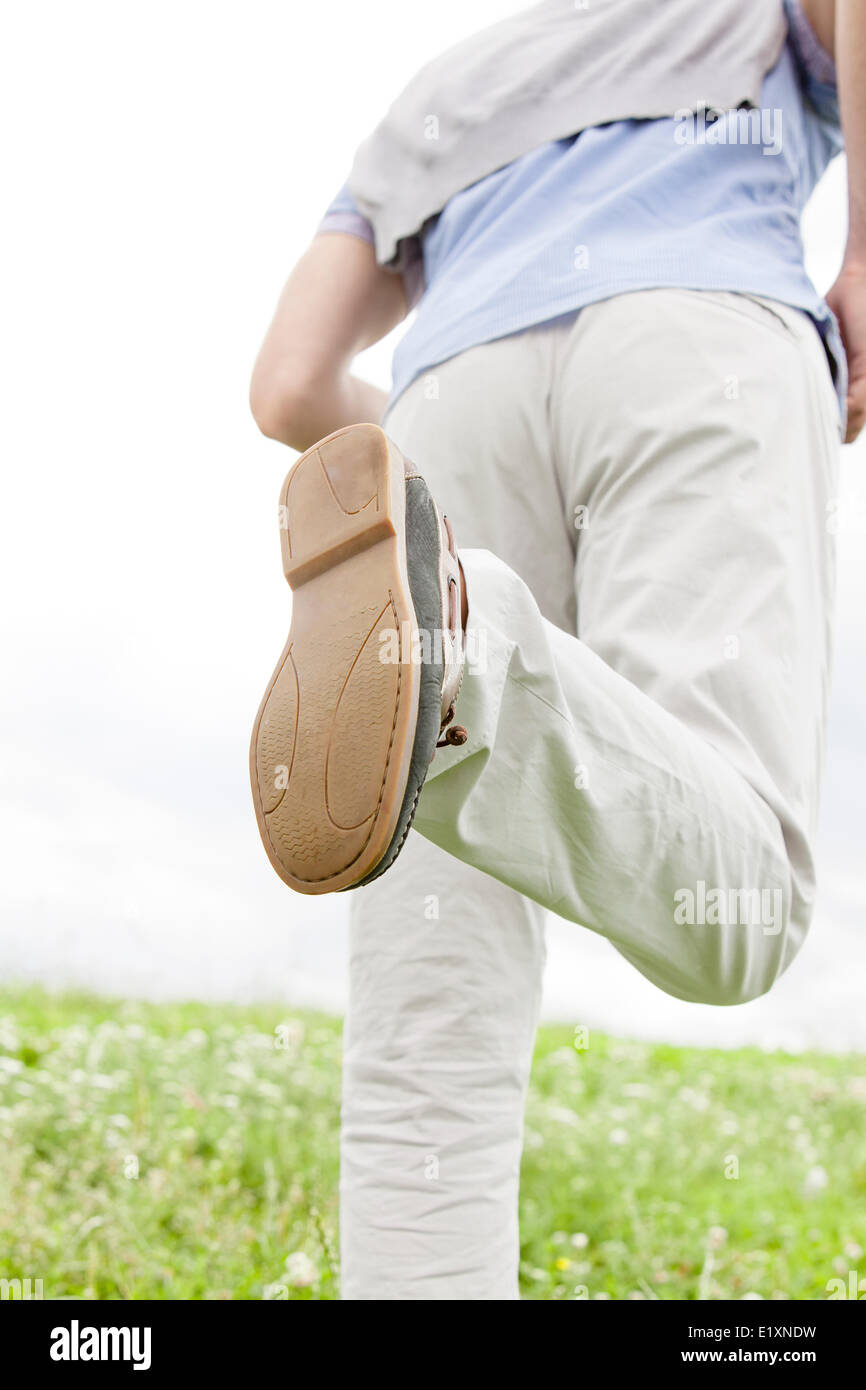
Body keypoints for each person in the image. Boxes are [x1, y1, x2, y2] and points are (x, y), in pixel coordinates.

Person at [248, 0, 861, 1299]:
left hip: (446, 413)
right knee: (737, 903)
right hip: (689, 329)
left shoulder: (437, 89)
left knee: (427, 1033)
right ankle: (461, 653)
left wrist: (407, 450)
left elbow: (290, 388)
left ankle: (436, 630)